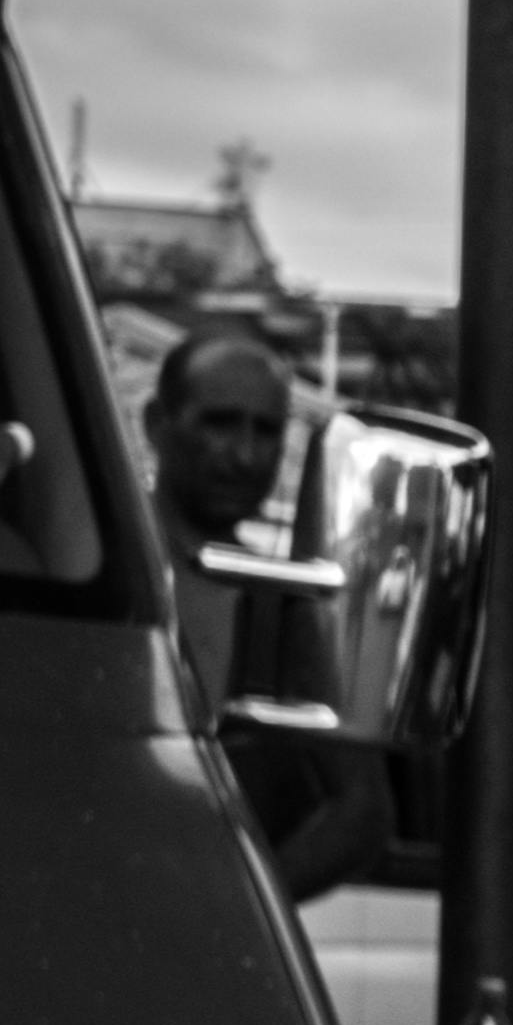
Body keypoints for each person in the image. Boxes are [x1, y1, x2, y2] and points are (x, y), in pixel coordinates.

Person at [145, 323, 391, 902]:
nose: (244, 454)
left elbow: (361, 812)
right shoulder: (97, 562)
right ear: (157, 424)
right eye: (220, 423)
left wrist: (235, 908)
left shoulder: (282, 604)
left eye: (267, 431)